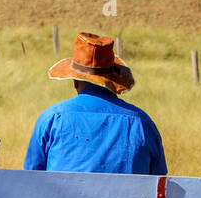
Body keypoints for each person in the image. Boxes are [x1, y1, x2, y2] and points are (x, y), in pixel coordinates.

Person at [24, 32, 166, 176]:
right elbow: (159, 183)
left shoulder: (52, 118)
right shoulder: (142, 122)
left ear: (75, 81)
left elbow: (32, 178)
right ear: (113, 81)